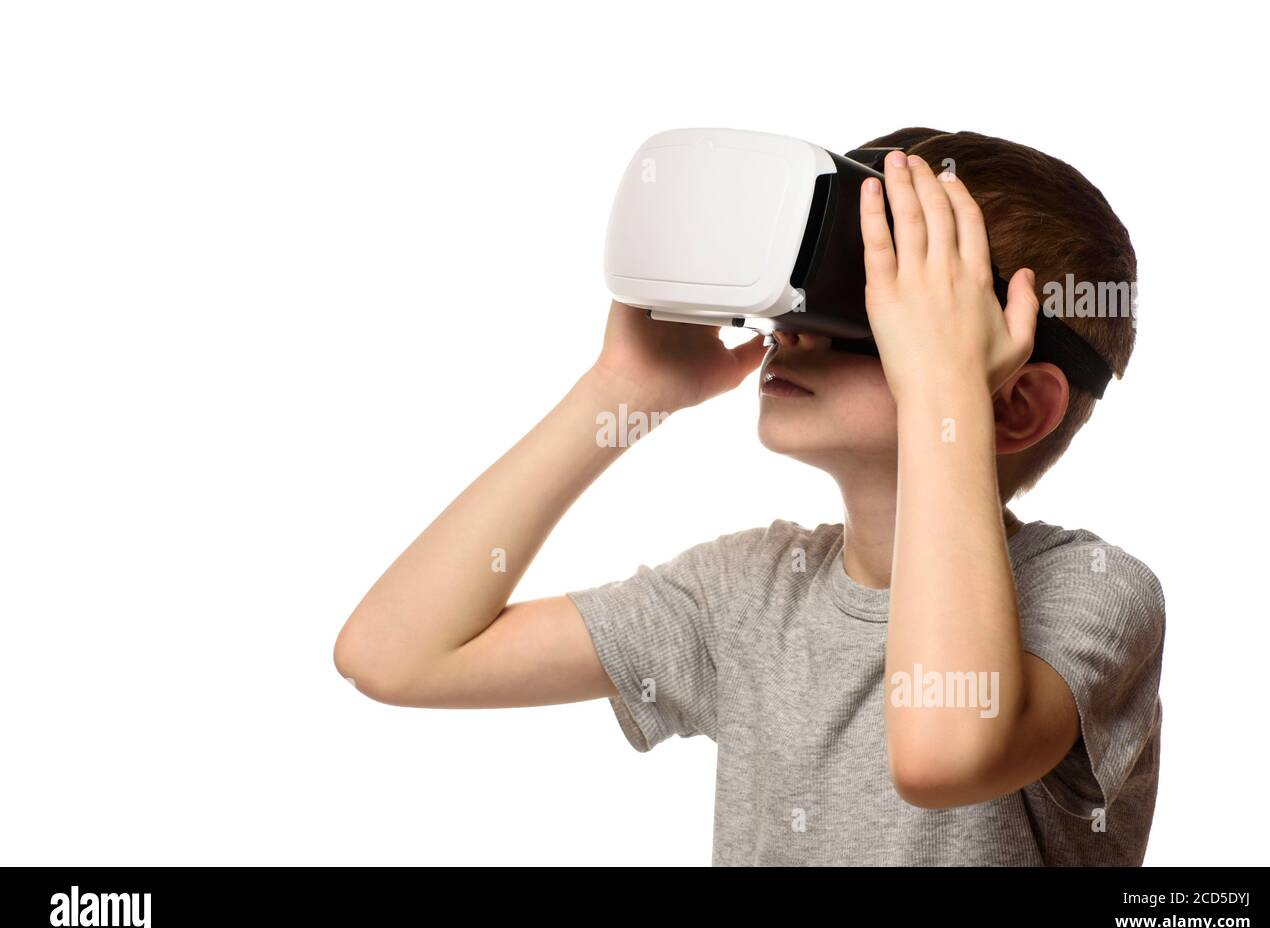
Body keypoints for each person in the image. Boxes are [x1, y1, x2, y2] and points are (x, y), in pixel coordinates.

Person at [333, 127, 1166, 866]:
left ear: (1016, 404)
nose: (791, 330)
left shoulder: (1091, 588)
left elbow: (942, 755)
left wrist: (944, 393)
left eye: (877, 310)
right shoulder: (754, 592)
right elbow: (396, 655)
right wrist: (618, 389)